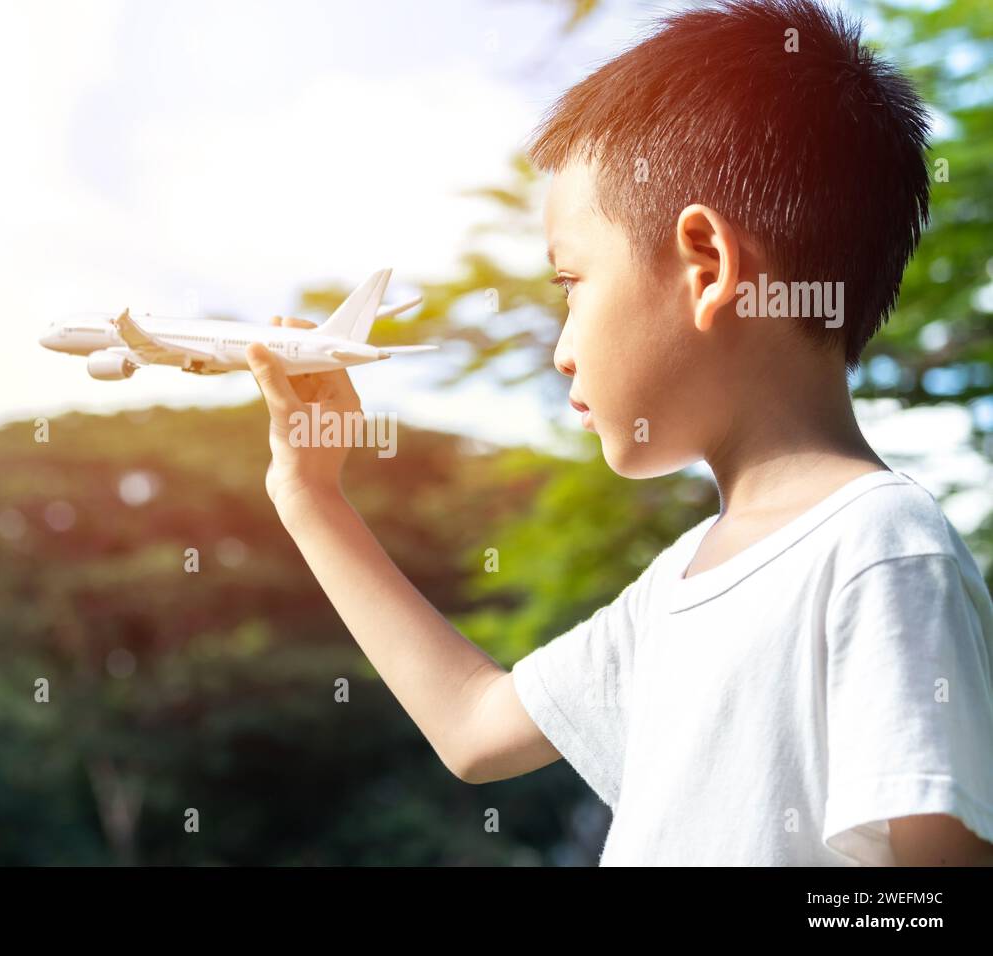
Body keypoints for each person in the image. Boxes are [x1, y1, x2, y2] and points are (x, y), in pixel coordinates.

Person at [245, 0, 993, 865]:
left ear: (706, 268)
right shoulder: (680, 575)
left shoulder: (880, 548)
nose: (562, 351)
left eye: (570, 281)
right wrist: (309, 495)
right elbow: (474, 728)